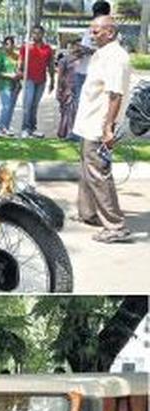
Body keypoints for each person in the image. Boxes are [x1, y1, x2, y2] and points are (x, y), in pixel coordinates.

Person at [72, 14, 132, 243]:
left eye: (96, 31)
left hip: (99, 126)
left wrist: (107, 128)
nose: (91, 35)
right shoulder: (103, 53)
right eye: (91, 30)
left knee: (98, 174)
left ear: (110, 32)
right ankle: (88, 213)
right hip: (90, 123)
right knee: (88, 171)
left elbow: (115, 94)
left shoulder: (115, 57)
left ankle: (115, 226)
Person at [18, 25, 55, 138]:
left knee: (34, 105)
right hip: (28, 79)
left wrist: (52, 80)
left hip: (41, 80)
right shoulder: (26, 47)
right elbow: (21, 61)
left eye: (39, 33)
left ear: (43, 34)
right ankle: (25, 128)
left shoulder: (47, 48)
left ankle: (33, 128)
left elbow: (51, 65)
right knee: (27, 104)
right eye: (34, 33)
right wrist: (19, 71)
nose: (36, 35)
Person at [75, 2, 112, 107]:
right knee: (80, 105)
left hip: (98, 75)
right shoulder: (89, 30)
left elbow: (110, 53)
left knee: (95, 106)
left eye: (100, 15)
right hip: (82, 71)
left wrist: (90, 51)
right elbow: (83, 48)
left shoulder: (112, 33)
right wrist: (78, 51)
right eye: (96, 15)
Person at [56, 39, 84, 140]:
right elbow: (60, 76)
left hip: (81, 89)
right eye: (76, 46)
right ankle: (66, 133)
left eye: (80, 46)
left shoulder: (85, 60)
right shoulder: (64, 60)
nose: (78, 48)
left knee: (77, 111)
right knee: (67, 111)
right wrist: (59, 89)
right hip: (68, 89)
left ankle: (76, 134)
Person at [0, 35, 20, 137]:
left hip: (15, 85)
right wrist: (9, 75)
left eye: (12, 44)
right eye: (8, 44)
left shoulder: (16, 56)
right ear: (4, 45)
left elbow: (19, 68)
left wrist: (18, 75)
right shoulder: (0, 56)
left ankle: (6, 127)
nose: (10, 46)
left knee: (11, 108)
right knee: (6, 106)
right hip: (4, 85)